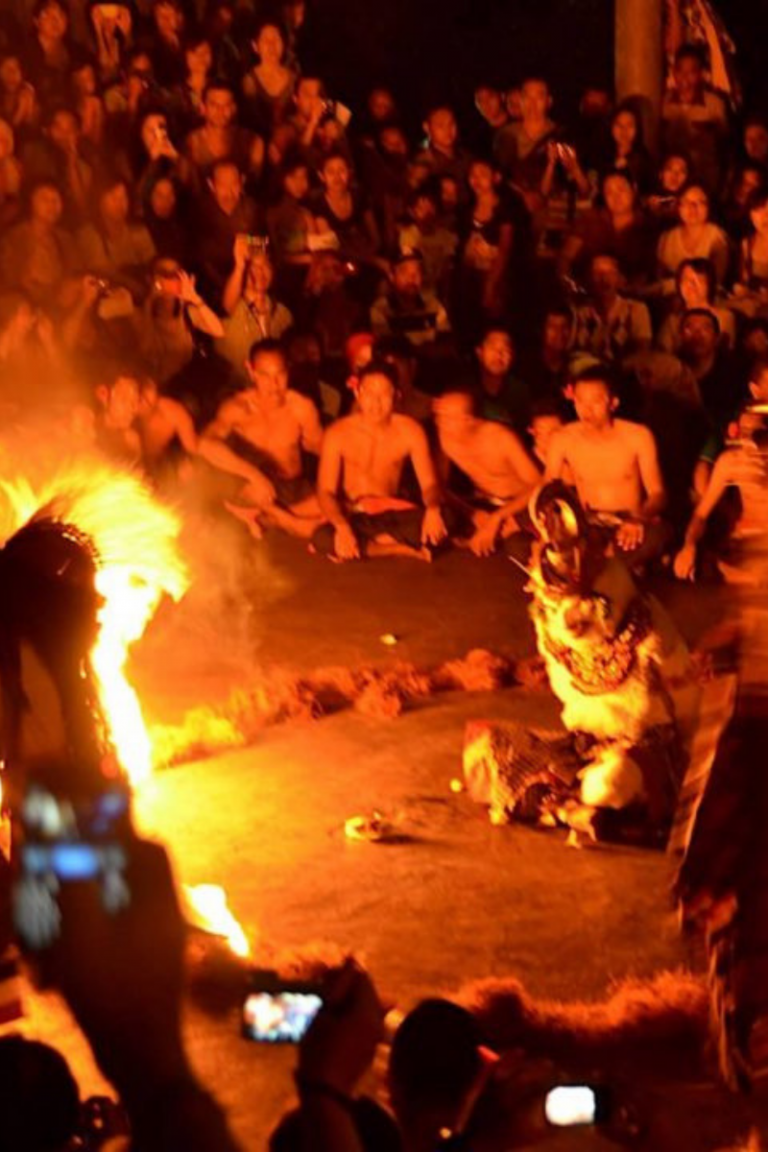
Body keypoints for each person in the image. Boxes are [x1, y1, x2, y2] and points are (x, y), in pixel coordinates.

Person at [312, 359, 450, 561]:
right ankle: (398, 547)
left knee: (447, 519)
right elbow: (325, 491)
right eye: (369, 394)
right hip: (354, 515)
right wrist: (342, 526)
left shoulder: (410, 431)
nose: (376, 403)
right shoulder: (338, 433)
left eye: (384, 395)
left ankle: (364, 547)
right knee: (322, 538)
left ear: (396, 397)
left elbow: (429, 484)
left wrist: (433, 509)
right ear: (358, 393)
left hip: (392, 513)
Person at [545, 365, 670, 569]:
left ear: (613, 402)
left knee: (659, 534)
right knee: (526, 544)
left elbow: (658, 493)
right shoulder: (563, 438)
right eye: (580, 401)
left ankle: (613, 564)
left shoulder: (637, 436)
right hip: (588, 522)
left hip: (629, 519)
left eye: (595, 401)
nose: (587, 409)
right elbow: (547, 489)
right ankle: (608, 564)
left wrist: (638, 519)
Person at [199, 337, 324, 537]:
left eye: (280, 374)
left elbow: (322, 448)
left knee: (328, 507)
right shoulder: (238, 408)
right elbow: (205, 444)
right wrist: (253, 475)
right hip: (251, 488)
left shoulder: (301, 407)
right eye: (265, 375)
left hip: (290, 489)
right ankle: (284, 520)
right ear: (251, 370)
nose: (274, 384)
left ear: (288, 370)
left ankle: (263, 518)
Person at [434, 389, 540, 555]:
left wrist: (498, 518)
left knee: (519, 544)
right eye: (439, 415)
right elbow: (438, 485)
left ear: (470, 420)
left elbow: (538, 485)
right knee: (440, 522)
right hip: (483, 502)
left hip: (518, 504)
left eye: (448, 417)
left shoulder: (501, 439)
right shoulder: (445, 435)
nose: (440, 422)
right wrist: (473, 513)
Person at [673, 405, 768, 583]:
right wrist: (689, 545)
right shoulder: (731, 462)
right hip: (744, 545)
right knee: (694, 565)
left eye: (754, 433)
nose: (745, 439)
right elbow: (700, 515)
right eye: (742, 432)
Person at [218, 241, 293, 379]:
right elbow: (226, 307)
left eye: (265, 265)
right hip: (236, 390)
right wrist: (240, 266)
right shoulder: (232, 307)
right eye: (253, 266)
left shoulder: (283, 314)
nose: (259, 271)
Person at [661, 43, 728, 195]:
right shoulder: (664, 102)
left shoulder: (715, 104)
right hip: (674, 181)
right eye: (680, 70)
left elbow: (725, 145)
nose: (685, 77)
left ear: (700, 74)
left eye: (691, 71)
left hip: (705, 180)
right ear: (674, 72)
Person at [77, 174, 156, 303]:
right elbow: (101, 272)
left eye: (123, 197)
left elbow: (151, 264)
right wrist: (130, 284)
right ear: (100, 201)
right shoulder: (89, 235)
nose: (120, 204)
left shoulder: (138, 231)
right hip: (106, 298)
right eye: (113, 198)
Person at [0, 178, 78, 307]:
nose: (51, 206)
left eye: (55, 201)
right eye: (45, 200)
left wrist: (71, 286)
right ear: (31, 202)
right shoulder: (14, 239)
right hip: (24, 305)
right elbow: (9, 280)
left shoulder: (65, 240)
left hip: (59, 305)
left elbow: (75, 273)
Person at [195, 159, 262, 304]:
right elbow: (201, 259)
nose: (230, 192)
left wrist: (247, 244)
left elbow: (262, 244)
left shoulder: (250, 209)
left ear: (242, 182)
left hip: (248, 281)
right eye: (222, 186)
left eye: (234, 184)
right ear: (211, 185)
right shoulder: (200, 212)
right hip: (212, 288)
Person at [570, 252, 652, 363]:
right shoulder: (580, 313)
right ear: (589, 279)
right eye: (597, 273)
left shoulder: (636, 310)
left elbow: (642, 352)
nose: (604, 279)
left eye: (610, 273)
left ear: (620, 279)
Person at [185, 81, 264, 188]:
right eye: (214, 105)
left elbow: (253, 186)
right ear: (203, 108)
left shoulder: (252, 141)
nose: (220, 112)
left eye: (226, 105)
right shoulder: (192, 142)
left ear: (234, 108)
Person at [656, 181, 729, 291]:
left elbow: (716, 281)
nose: (693, 208)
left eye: (700, 202)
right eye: (686, 202)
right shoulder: (667, 238)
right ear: (679, 207)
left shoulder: (717, 238)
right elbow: (660, 278)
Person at [370, 249, 450, 347]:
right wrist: (427, 336)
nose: (412, 278)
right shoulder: (381, 309)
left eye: (417, 271)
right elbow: (388, 344)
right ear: (392, 276)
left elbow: (445, 341)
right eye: (404, 272)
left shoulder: (433, 306)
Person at [657, 257, 736, 352]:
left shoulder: (724, 318)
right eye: (686, 279)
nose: (692, 285)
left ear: (710, 284)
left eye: (699, 280)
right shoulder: (672, 321)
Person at [242, 20, 297, 136]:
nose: (272, 45)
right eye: (266, 40)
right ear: (255, 46)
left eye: (276, 39)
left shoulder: (295, 79)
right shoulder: (249, 81)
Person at [474, 324, 531, 435]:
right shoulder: (464, 389)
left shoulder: (520, 392)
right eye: (493, 348)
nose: (499, 354)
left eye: (505, 349)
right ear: (479, 352)